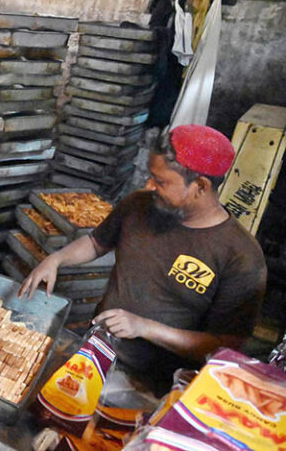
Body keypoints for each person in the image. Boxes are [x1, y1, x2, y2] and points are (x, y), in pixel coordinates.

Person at [19, 125, 267, 391]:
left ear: (200, 186)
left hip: (155, 385)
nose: (149, 186)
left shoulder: (241, 257)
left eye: (161, 181)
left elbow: (225, 346)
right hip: (94, 352)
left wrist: (145, 327)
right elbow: (96, 243)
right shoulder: (138, 205)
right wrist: (56, 259)